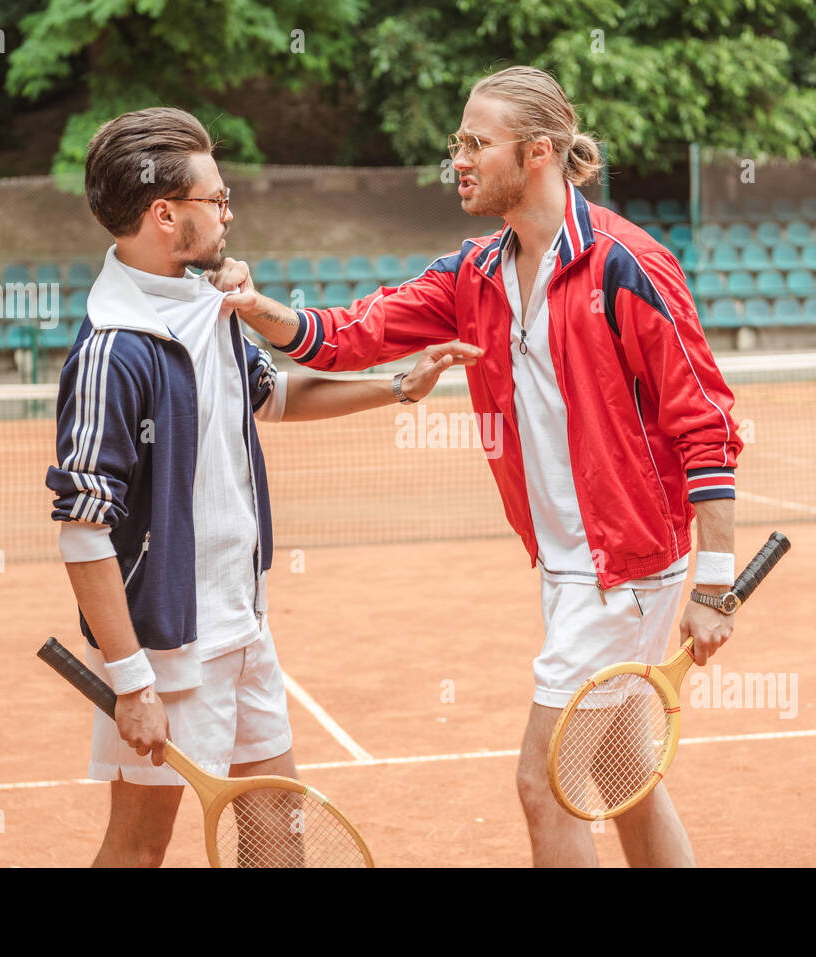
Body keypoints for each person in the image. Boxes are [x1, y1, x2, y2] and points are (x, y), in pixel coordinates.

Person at [210, 67, 745, 867]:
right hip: (569, 565)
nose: (456, 159)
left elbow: (705, 420)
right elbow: (351, 333)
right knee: (623, 775)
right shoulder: (476, 273)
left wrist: (714, 584)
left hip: (624, 570)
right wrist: (258, 309)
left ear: (537, 153)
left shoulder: (627, 265)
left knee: (544, 785)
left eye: (475, 143)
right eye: (457, 142)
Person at [45, 106, 475, 867]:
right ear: (164, 213)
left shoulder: (209, 304)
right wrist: (134, 681)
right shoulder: (113, 350)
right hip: (169, 647)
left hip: (242, 623)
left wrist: (395, 388)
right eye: (217, 198)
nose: (229, 212)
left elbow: (270, 395)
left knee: (278, 823)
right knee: (140, 846)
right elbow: (83, 530)